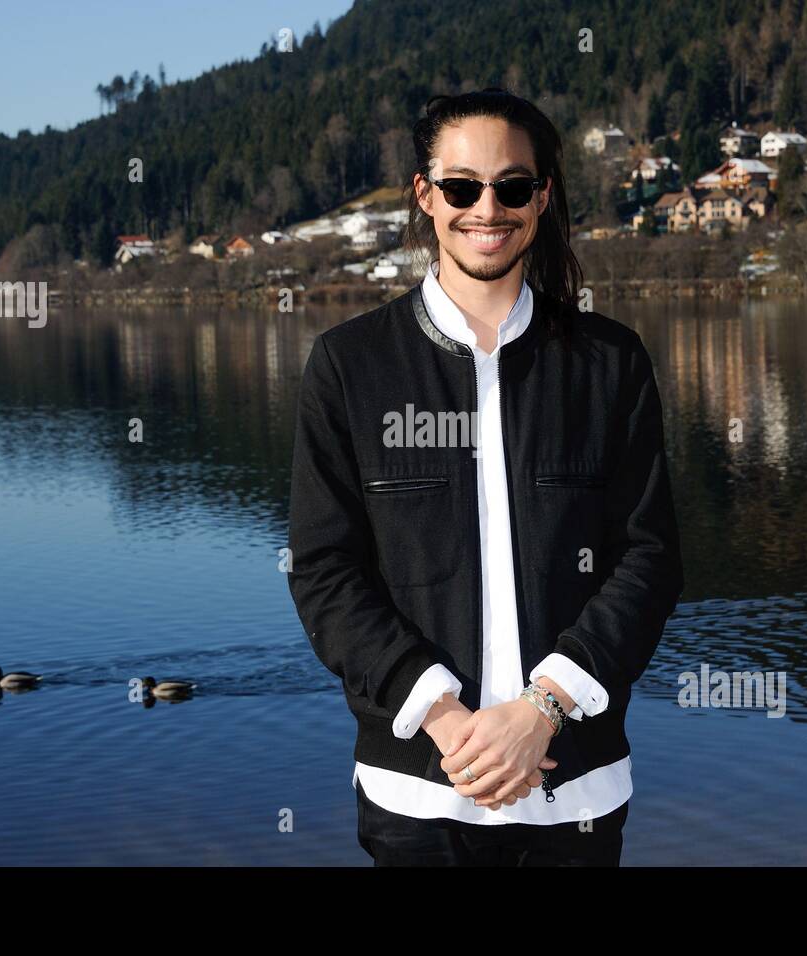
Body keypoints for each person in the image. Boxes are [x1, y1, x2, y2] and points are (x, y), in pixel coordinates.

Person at [287, 88, 684, 866]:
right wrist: (445, 720)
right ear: (427, 197)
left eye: (511, 186)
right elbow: (327, 573)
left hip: (576, 795)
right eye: (463, 187)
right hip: (417, 799)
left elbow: (650, 560)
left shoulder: (610, 363)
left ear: (541, 198)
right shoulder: (348, 366)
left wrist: (541, 710)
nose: (487, 208)